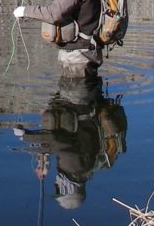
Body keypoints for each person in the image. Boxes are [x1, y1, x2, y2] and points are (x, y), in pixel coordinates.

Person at [13, 74, 128, 211]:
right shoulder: (74, 167)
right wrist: (25, 136)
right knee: (50, 117)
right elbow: (56, 141)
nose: (56, 183)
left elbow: (59, 145)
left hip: (89, 94)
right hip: (77, 95)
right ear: (68, 189)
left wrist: (44, 160)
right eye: (58, 188)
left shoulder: (85, 169)